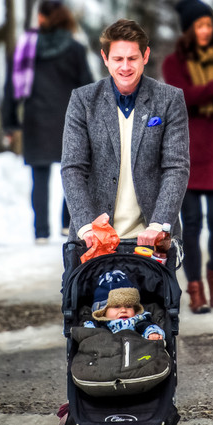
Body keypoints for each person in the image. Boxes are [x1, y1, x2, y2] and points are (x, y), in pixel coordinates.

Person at [60, 18, 190, 254]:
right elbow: (73, 167)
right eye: (118, 59)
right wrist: (87, 226)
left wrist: (159, 224)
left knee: (153, 292)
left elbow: (176, 167)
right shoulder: (83, 100)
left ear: (146, 56)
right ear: (105, 58)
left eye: (132, 58)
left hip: (150, 236)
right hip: (94, 238)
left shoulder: (169, 100)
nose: (125, 67)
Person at [160, 0, 213, 313]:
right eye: (200, 25)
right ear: (188, 30)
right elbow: (185, 97)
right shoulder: (174, 64)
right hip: (190, 152)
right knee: (192, 225)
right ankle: (195, 289)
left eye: (209, 23)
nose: (206, 30)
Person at [2, 0, 94, 243]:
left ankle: (40, 232)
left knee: (39, 177)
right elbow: (87, 85)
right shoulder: (74, 48)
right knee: (72, 173)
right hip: (69, 119)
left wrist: (9, 122)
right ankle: (67, 224)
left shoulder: (26, 48)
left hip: (36, 118)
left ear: (42, 17)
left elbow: (11, 87)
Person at [80, 267, 167, 340]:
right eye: (116, 306)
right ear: (103, 310)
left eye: (129, 306)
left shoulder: (138, 322)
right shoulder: (99, 325)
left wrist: (152, 333)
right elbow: (86, 334)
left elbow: (149, 327)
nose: (123, 310)